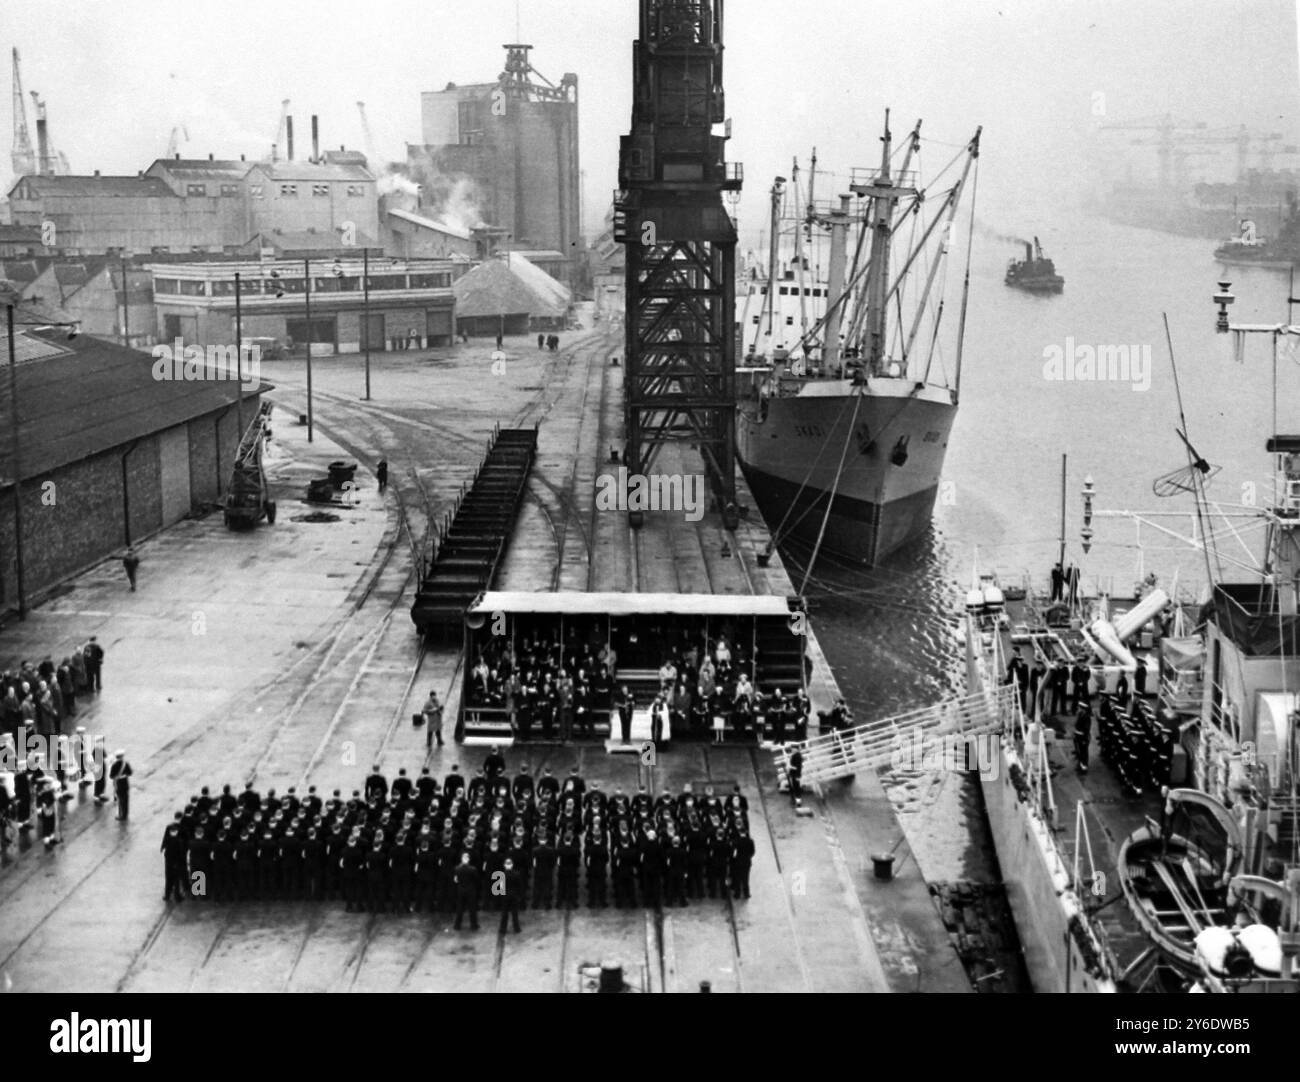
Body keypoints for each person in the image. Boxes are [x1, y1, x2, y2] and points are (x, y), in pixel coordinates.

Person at [453, 852, 481, 930]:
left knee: (460, 908)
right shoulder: (473, 869)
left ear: (462, 859)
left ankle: (457, 925)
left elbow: (455, 880)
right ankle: (473, 925)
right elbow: (477, 880)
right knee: (472, 908)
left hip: (461, 890)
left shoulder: (457, 868)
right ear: (468, 859)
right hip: (471, 891)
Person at [498, 857, 523, 933]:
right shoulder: (517, 874)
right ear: (512, 865)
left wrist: (500, 898)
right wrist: (519, 896)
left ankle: (503, 929)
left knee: (504, 914)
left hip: (505, 896)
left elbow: (500, 888)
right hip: (514, 896)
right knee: (515, 914)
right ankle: (517, 928)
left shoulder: (501, 875)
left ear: (504, 865)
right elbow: (520, 886)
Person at [110, 750, 133, 820]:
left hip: (118, 784)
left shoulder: (114, 765)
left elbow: (111, 776)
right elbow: (130, 773)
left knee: (120, 800)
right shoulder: (126, 764)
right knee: (126, 800)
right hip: (125, 783)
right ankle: (125, 814)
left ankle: (121, 815)